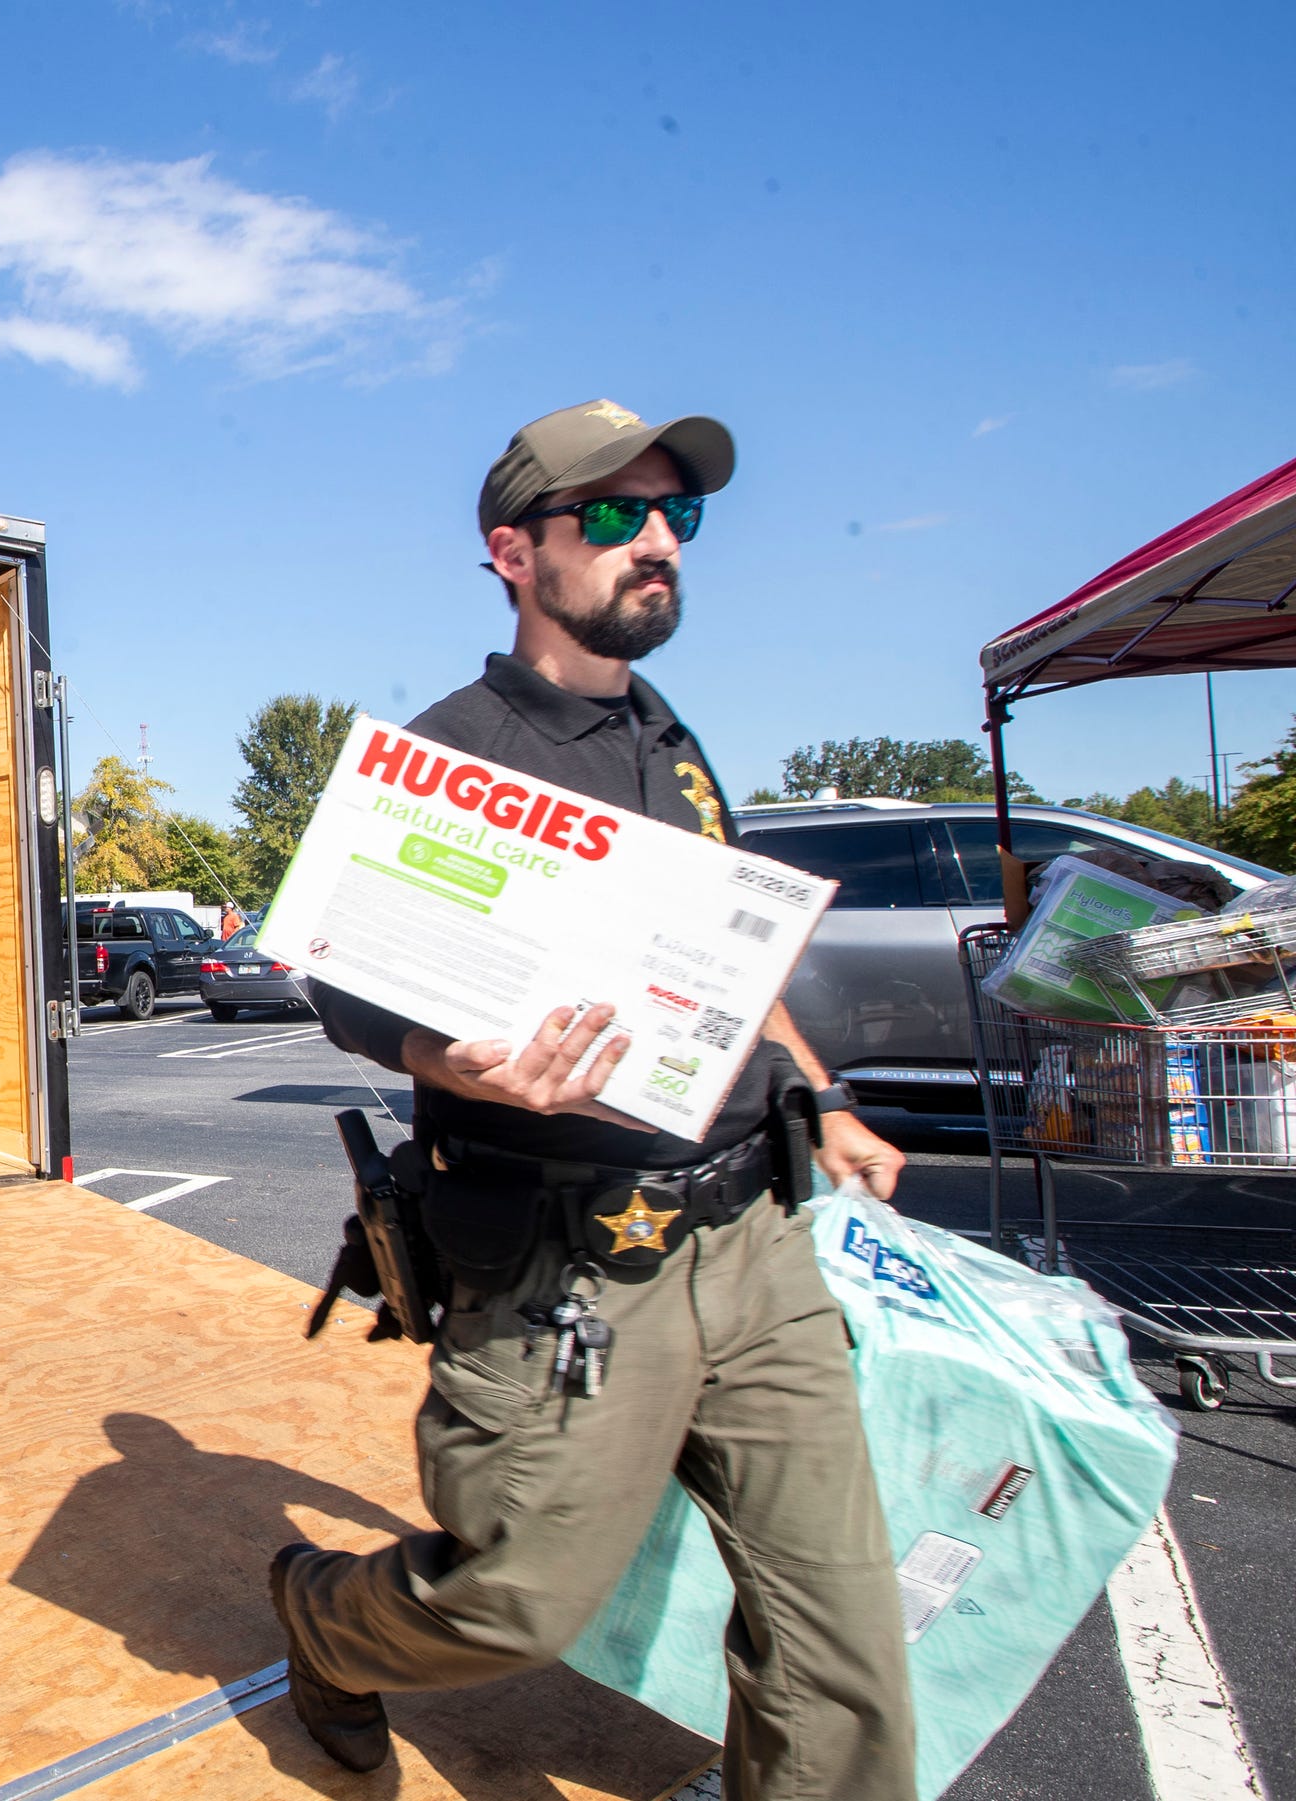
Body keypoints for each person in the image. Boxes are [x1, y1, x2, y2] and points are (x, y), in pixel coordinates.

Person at [269, 400, 917, 1798]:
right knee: (517, 1605)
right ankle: (328, 1620)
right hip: (575, 1268)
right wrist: (454, 1060)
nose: (662, 541)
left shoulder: (674, 743)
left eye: (678, 515)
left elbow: (733, 966)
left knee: (845, 1643)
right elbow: (355, 989)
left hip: (756, 1243)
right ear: (514, 550)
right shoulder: (449, 757)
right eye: (618, 516)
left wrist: (829, 1098)